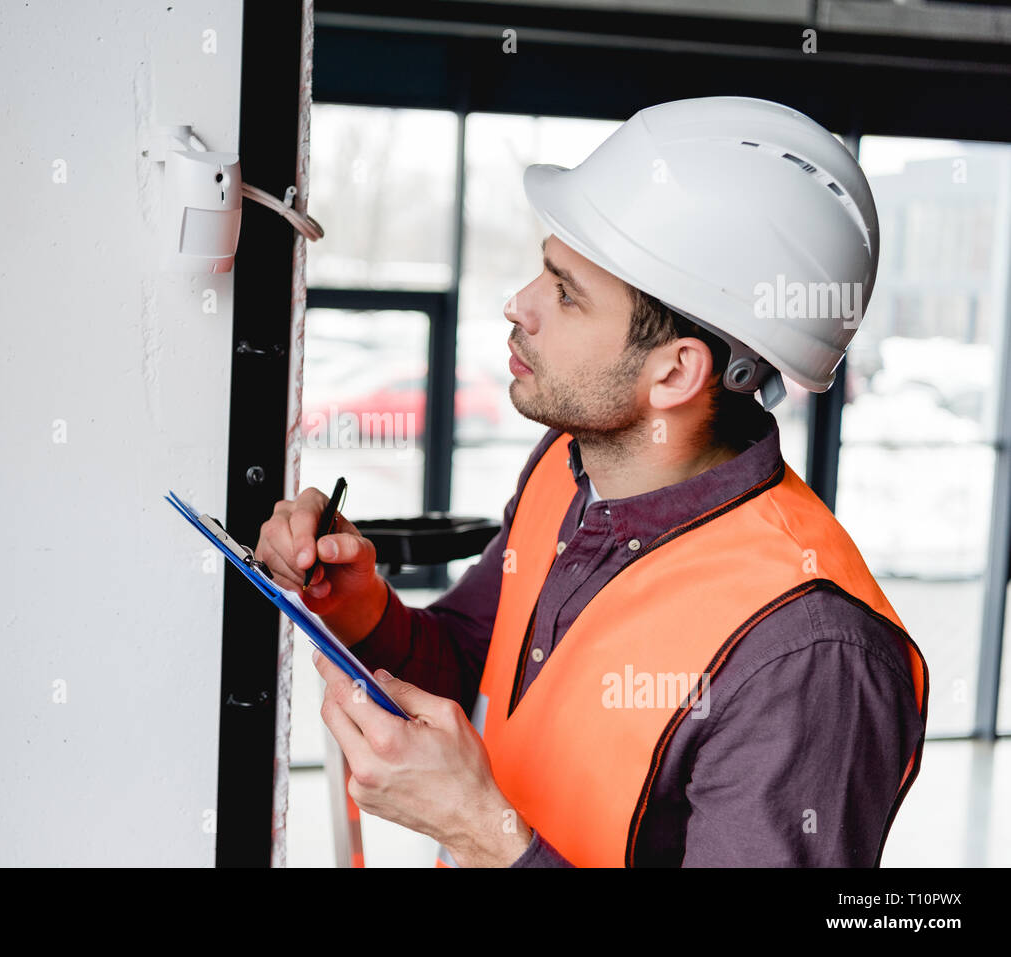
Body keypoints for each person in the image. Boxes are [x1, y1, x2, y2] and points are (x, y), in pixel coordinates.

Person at [254, 97, 928, 867]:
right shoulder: (567, 467)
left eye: (566, 292)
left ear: (675, 372)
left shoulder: (809, 658)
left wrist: (485, 833)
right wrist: (362, 608)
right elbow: (478, 656)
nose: (519, 306)